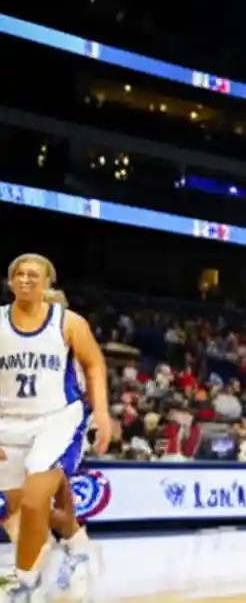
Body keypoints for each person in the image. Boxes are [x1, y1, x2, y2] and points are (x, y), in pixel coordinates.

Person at [0, 254, 111, 602]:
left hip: (60, 422)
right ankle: (54, 553)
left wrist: (99, 416)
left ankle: (59, 559)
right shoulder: (10, 328)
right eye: (20, 275)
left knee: (42, 502)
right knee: (22, 507)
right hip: (14, 422)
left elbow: (91, 372)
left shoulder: (67, 329)